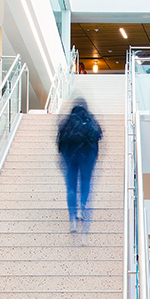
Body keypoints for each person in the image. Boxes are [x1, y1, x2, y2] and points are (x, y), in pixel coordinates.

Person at [56, 99, 103, 233]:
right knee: (85, 182)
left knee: (71, 187)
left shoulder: (67, 121)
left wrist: (63, 157)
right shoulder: (90, 119)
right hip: (87, 157)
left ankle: (72, 220)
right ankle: (82, 209)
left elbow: (59, 141)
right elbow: (99, 135)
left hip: (70, 158)